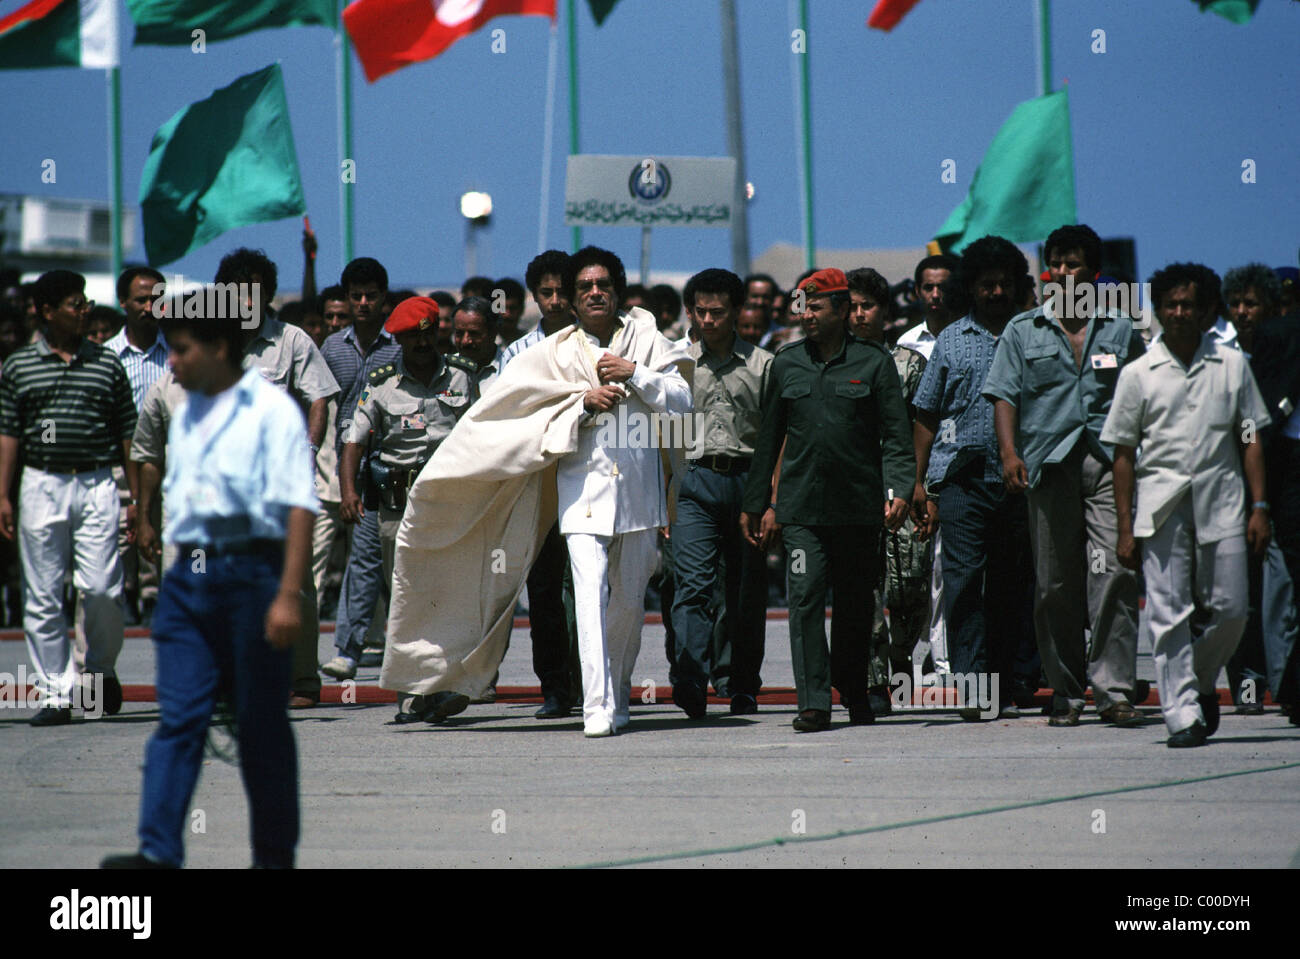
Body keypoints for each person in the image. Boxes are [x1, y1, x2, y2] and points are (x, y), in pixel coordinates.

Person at [378, 247, 693, 739]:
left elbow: (683, 402)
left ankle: (617, 692)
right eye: (584, 287)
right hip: (581, 498)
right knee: (588, 595)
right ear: (572, 298)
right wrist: (581, 404)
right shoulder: (549, 354)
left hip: (639, 497)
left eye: (603, 285)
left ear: (617, 291)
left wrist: (635, 373)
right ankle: (595, 707)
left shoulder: (648, 338)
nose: (595, 293)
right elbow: (512, 418)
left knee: (629, 605)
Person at [101, 301, 317, 868]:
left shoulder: (271, 411)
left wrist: (288, 595)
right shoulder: (187, 407)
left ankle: (273, 857)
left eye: (181, 350)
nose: (170, 361)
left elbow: (299, 505)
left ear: (219, 348)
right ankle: (158, 853)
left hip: (253, 576)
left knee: (260, 726)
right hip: (189, 579)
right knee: (180, 719)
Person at [1101, 263, 1272, 747]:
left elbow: (1249, 436)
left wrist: (1260, 505)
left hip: (1224, 501)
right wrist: (1124, 528)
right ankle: (1182, 715)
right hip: (1161, 506)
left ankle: (1198, 678)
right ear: (1157, 310)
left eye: (1188, 305)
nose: (1179, 312)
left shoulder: (1232, 365)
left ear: (1206, 311)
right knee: (1168, 613)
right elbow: (1123, 453)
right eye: (1170, 304)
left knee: (1233, 609)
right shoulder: (1138, 373)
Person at [982, 224, 1145, 727]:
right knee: (1054, 583)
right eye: (1055, 263)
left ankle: (1114, 691)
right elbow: (1004, 394)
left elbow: (1144, 395)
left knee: (1115, 574)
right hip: (1047, 464)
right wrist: (1009, 454)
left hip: (1108, 463)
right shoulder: (1023, 329)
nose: (1063, 271)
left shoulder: (1120, 329)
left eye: (1073, 263)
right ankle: (1067, 693)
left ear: (1094, 272)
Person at [742, 268, 913, 732]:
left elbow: (897, 437)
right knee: (804, 601)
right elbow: (768, 439)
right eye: (802, 307)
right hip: (802, 512)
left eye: (816, 307)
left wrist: (898, 491)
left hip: (858, 511)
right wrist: (755, 504)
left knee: (856, 607)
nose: (807, 316)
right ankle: (814, 703)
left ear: (841, 309)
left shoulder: (874, 363)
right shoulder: (786, 364)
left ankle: (854, 690)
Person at [0, 270, 135, 725]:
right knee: (42, 593)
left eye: (85, 303)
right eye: (76, 304)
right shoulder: (19, 366)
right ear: (46, 311)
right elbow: (8, 433)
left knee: (101, 588)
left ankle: (99, 672)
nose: (84, 311)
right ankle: (56, 694)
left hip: (97, 482)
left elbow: (127, 432)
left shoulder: (106, 363)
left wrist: (136, 499)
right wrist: (3, 495)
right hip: (41, 483)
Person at [912, 236, 1035, 720]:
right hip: (961, 480)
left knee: (1009, 586)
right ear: (972, 287)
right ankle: (971, 685)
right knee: (963, 584)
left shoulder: (1032, 334)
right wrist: (918, 482)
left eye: (1004, 283)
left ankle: (1001, 685)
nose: (996, 292)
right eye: (986, 284)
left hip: (1019, 483)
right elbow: (926, 413)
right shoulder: (951, 339)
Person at [341, 297, 473, 722]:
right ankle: (410, 695)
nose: (420, 344)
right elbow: (354, 442)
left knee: (446, 596)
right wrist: (348, 491)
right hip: (397, 508)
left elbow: (481, 435)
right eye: (411, 338)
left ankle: (442, 687)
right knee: (405, 598)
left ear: (437, 333)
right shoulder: (380, 384)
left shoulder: (461, 377)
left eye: (426, 335)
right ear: (398, 341)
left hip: (449, 504)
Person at [225, 248, 338, 709]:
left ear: (269, 295)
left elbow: (319, 399)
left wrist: (308, 451)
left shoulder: (291, 340)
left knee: (295, 581)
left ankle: (303, 680)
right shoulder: (210, 342)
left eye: (256, 291)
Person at [670, 269, 772, 719]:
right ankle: (690, 677)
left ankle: (740, 684)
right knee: (693, 585)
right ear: (689, 312)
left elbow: (777, 436)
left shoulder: (764, 366)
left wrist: (770, 501)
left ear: (737, 312)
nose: (708, 320)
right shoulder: (676, 366)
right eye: (700, 312)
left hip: (749, 484)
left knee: (744, 593)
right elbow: (662, 433)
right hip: (694, 483)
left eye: (717, 312)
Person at [502, 250, 582, 718]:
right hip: (538, 488)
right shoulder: (516, 355)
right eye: (546, 293)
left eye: (561, 292)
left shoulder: (592, 345)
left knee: (591, 588)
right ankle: (554, 686)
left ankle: (590, 684)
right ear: (534, 296)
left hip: (587, 482)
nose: (555, 301)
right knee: (546, 592)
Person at [319, 258, 401, 681]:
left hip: (395, 465)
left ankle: (404, 649)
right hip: (354, 468)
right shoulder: (332, 348)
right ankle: (348, 650)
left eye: (371, 295)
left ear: (384, 297)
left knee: (400, 563)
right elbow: (317, 402)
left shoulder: (400, 345)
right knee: (363, 559)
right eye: (356, 296)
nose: (364, 303)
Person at [1234, 262, 1300, 723]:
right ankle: (1251, 684)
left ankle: (1284, 683)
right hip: (1241, 485)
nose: (1245, 313)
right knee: (1243, 594)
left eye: (1254, 304)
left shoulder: (1281, 343)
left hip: (1277, 480)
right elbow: (1248, 425)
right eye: (1237, 304)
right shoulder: (1221, 355)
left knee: (1280, 588)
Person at [897, 253, 961, 678]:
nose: (936, 295)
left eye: (943, 286)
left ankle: (948, 659)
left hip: (961, 469)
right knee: (920, 574)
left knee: (950, 569)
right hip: (919, 473)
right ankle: (931, 654)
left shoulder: (973, 337)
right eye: (928, 287)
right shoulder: (905, 346)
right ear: (918, 291)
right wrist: (913, 479)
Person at [450, 295, 506, 400]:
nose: (465, 341)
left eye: (474, 334)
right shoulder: (444, 372)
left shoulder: (510, 370)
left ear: (493, 333)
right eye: (459, 333)